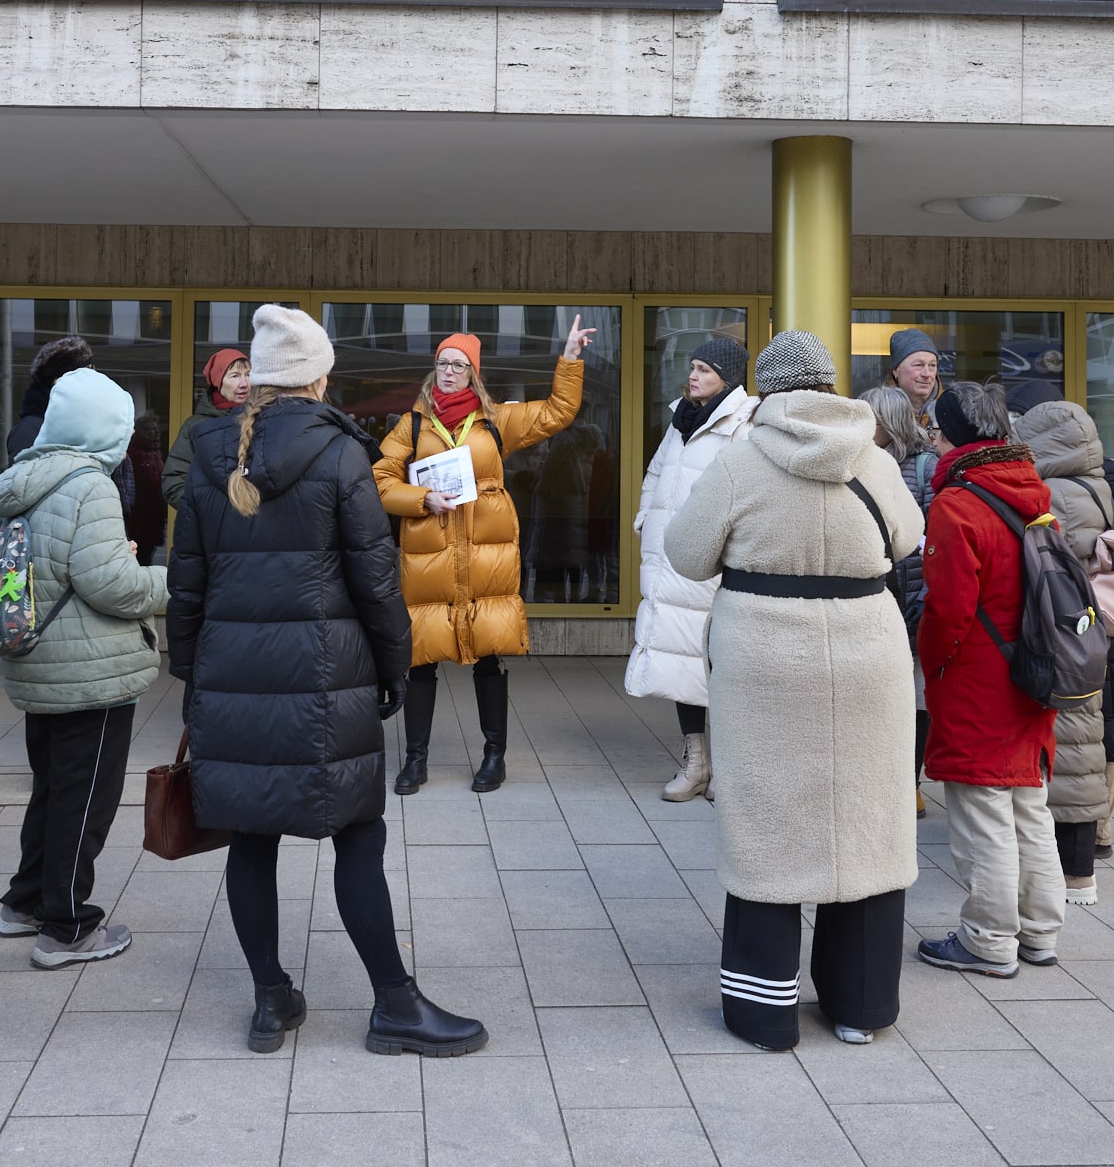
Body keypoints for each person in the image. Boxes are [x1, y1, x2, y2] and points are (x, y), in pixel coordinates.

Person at [168, 305, 486, 1058]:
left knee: (250, 838)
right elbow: (377, 581)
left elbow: (187, 581)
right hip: (325, 679)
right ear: (318, 375)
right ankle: (394, 1005)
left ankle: (271, 1000)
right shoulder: (342, 453)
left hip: (232, 680)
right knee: (359, 836)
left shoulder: (210, 449)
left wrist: (192, 674)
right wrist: (393, 669)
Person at [663, 331, 924, 1050]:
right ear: (830, 383)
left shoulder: (740, 458)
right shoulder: (872, 457)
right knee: (866, 822)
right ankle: (861, 1006)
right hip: (866, 650)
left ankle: (764, 1012)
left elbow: (686, 555)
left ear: (769, 390)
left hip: (764, 655)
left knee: (768, 824)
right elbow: (909, 537)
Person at [0, 367, 165, 969]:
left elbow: (57, 565)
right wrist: (171, 583)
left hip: (40, 662)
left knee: (51, 788)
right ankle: (66, 926)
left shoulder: (25, 478)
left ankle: (24, 902)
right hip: (89, 671)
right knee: (84, 799)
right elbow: (110, 586)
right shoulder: (89, 485)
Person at [374, 320, 592, 795]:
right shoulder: (412, 423)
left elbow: (558, 411)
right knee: (421, 659)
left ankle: (495, 758)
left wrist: (570, 358)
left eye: (459, 364)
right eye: (443, 363)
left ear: (474, 373)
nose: (449, 371)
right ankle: (416, 760)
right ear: (433, 370)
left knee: (490, 655)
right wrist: (420, 499)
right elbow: (379, 480)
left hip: (486, 554)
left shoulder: (497, 420)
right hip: (430, 554)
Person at [914, 381, 1063, 980]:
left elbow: (947, 609)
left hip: (980, 678)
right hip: (1034, 671)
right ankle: (1040, 932)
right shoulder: (1032, 489)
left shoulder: (958, 504)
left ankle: (989, 940)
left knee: (982, 815)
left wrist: (933, 666)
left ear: (950, 433)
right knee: (1029, 806)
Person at [1013, 400, 1114, 898]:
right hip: (1108, 632)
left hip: (1070, 634)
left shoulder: (1048, 491)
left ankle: (1073, 867)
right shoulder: (1103, 479)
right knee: (1096, 744)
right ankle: (1093, 842)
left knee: (1072, 747)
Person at [627, 337, 756, 802]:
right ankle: (695, 763)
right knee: (682, 658)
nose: (693, 375)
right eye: (693, 366)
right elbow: (656, 474)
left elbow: (744, 489)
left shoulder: (744, 422)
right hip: (672, 558)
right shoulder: (681, 418)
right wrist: (647, 519)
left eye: (704, 368)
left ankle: (726, 769)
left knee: (721, 665)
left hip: (715, 564)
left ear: (728, 376)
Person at [867, 386, 936, 814]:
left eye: (868, 419)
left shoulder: (924, 466)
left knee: (915, 697)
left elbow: (935, 534)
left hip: (913, 595)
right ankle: (880, 779)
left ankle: (909, 783)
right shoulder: (859, 463)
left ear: (888, 423)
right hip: (874, 595)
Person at [162, 347, 249, 526]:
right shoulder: (195, 426)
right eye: (234, 376)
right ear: (218, 381)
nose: (244, 384)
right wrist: (208, 510)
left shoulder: (265, 419)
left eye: (248, 374)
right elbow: (174, 481)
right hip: (211, 529)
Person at [886, 328, 942, 433]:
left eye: (932, 365)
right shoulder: (879, 415)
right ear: (896, 371)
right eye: (918, 365)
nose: (927, 374)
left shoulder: (951, 411)